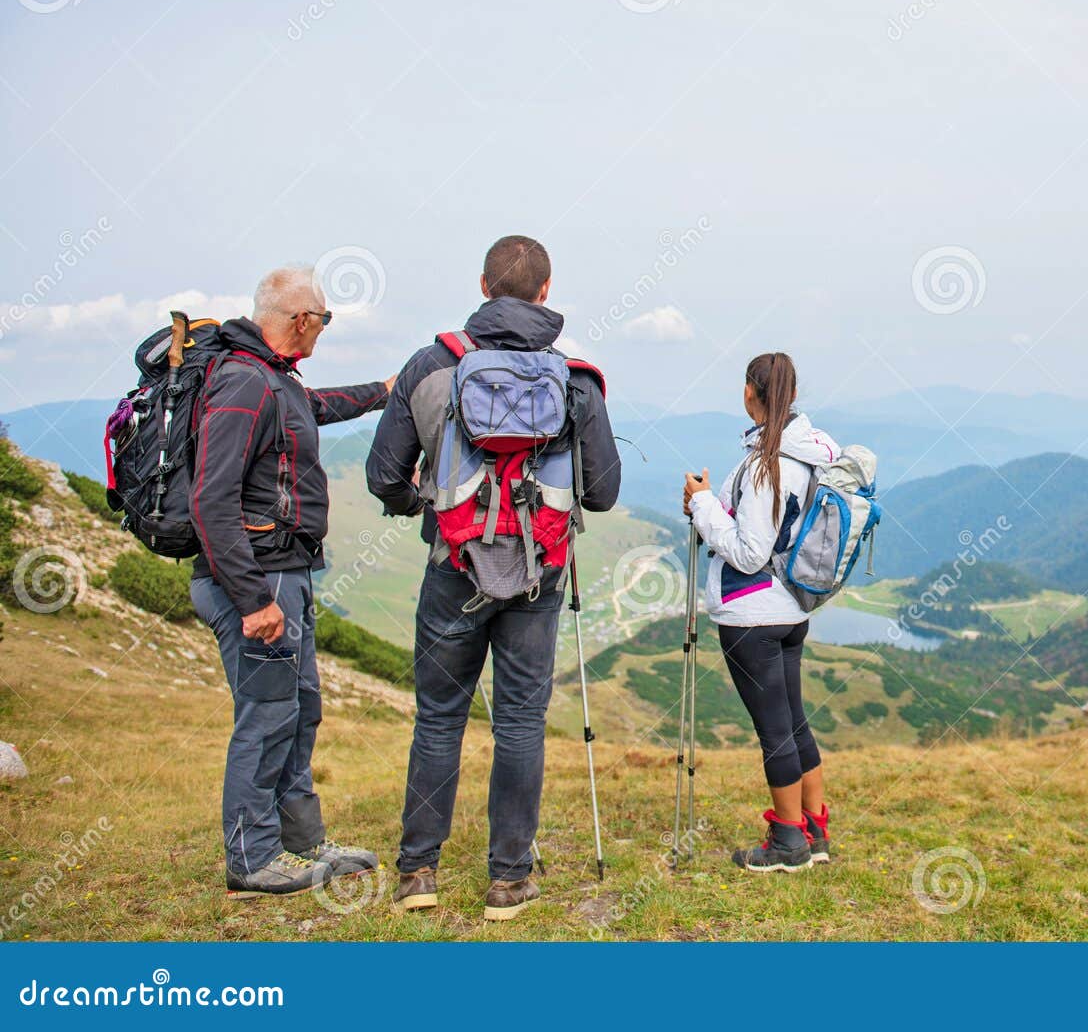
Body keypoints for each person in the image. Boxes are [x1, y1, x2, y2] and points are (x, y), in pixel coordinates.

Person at [366, 235, 620, 921]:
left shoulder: (429, 366)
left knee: (439, 719)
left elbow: (381, 475)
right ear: (546, 291)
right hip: (539, 575)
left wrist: (431, 506)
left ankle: (419, 872)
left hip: (452, 566)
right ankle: (508, 880)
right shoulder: (576, 379)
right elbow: (601, 491)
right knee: (519, 722)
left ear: (483, 286)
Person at [189, 267, 393, 898]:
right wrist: (252, 602)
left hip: (287, 574)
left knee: (300, 710)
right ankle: (251, 859)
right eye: (325, 319)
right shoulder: (243, 383)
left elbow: (317, 406)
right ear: (301, 319)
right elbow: (210, 499)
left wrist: (386, 390)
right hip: (260, 580)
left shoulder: (274, 379)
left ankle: (302, 842)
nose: (325, 330)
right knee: (268, 714)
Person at [683, 352, 837, 873]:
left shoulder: (767, 464)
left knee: (775, 730)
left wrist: (703, 506)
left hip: (752, 616)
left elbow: (749, 552)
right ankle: (814, 828)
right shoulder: (809, 456)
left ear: (751, 393)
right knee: (793, 723)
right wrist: (711, 504)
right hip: (792, 608)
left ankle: (787, 842)